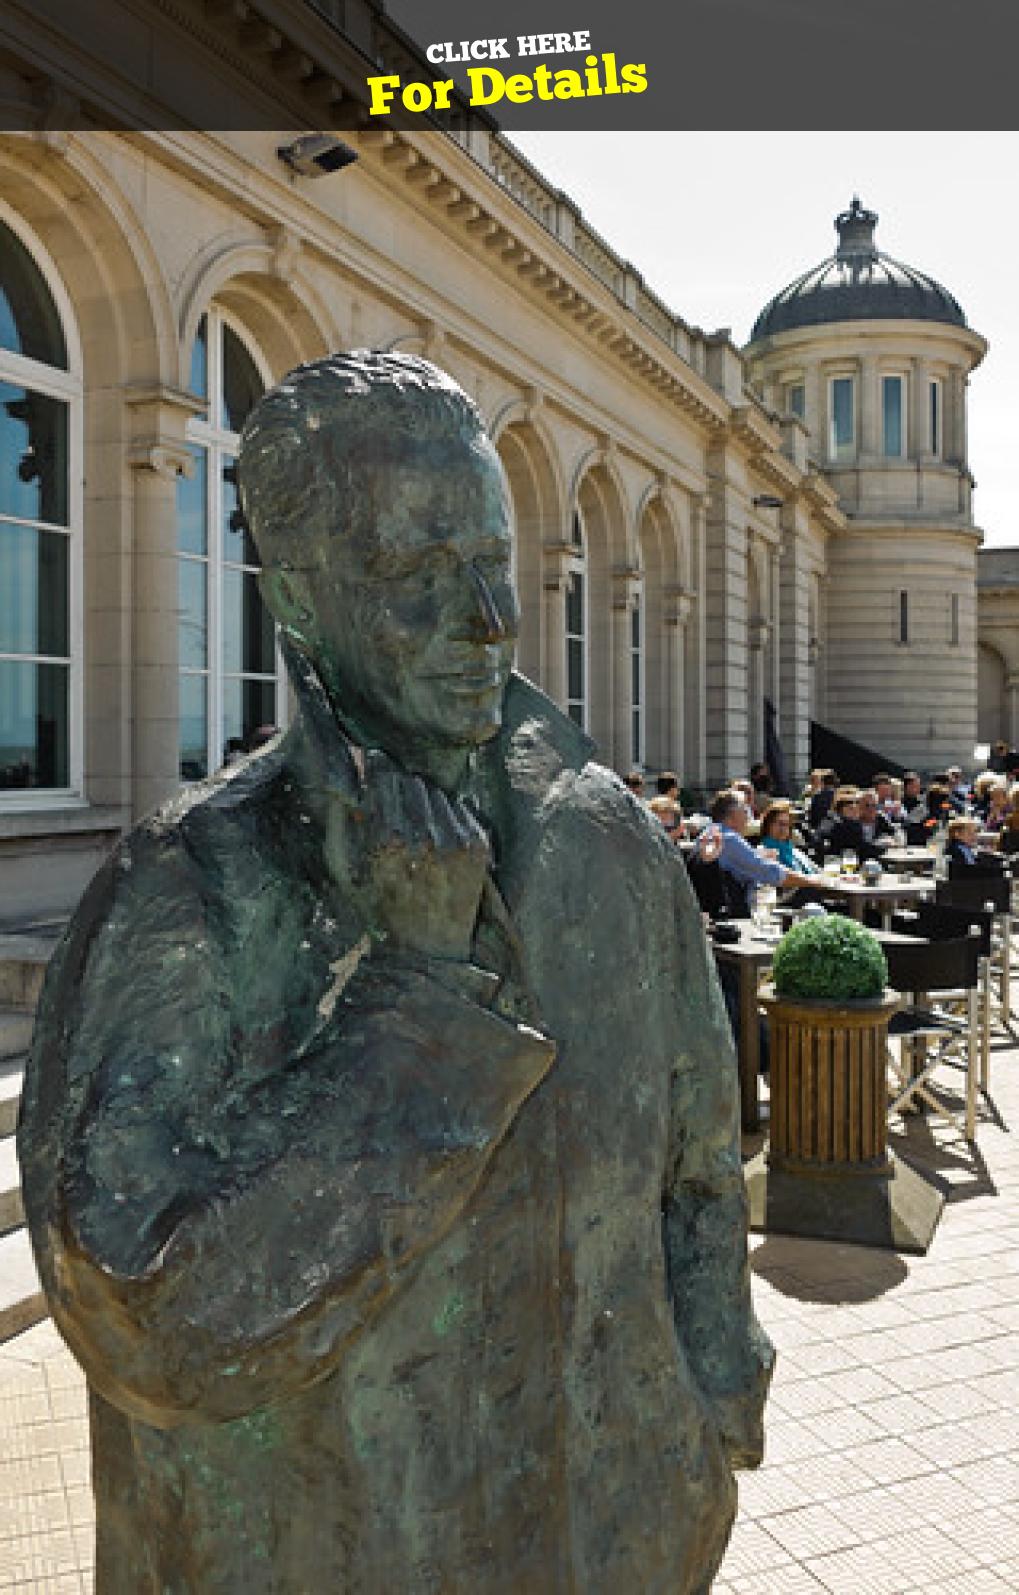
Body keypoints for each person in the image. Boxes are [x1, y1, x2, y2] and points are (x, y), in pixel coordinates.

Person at [19, 353, 772, 1594]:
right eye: (417, 576)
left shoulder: (606, 837)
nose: (487, 615)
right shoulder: (192, 881)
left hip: (613, 1528)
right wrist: (413, 1001)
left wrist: (710, 1397)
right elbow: (139, 1314)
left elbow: (695, 1152)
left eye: (487, 556)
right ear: (302, 603)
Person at [758, 800, 818, 875]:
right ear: (768, 824)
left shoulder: (791, 848)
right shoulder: (764, 852)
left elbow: (815, 869)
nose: (784, 829)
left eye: (787, 825)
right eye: (780, 824)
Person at [648, 770, 684, 839]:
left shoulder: (649, 805)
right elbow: (679, 830)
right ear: (672, 789)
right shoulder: (674, 806)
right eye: (677, 788)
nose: (678, 792)